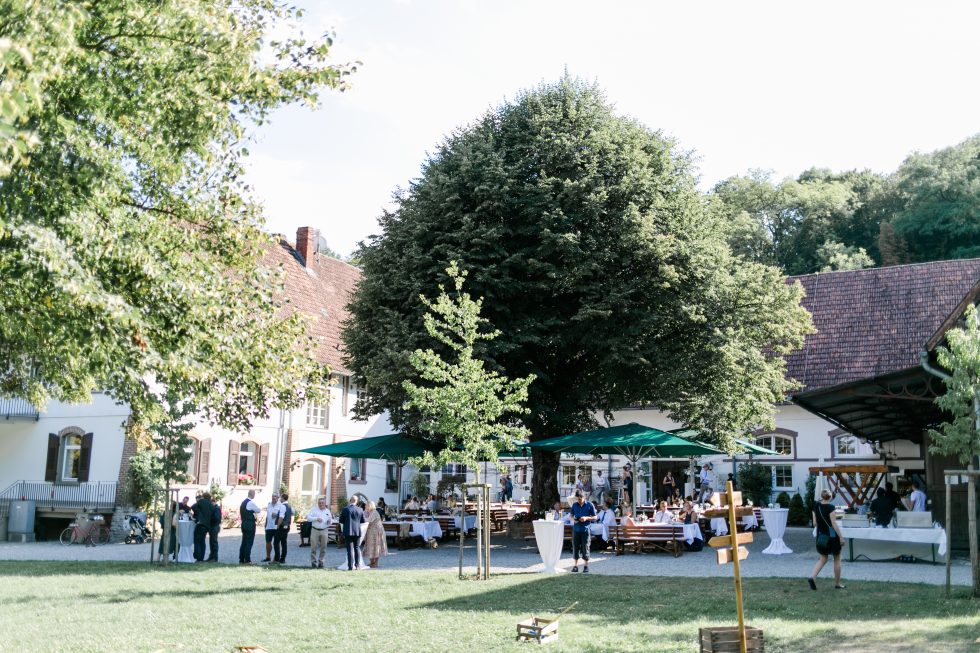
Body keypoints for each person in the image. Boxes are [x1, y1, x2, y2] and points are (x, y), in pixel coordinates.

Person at [809, 489, 846, 590]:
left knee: (822, 559)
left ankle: (813, 577)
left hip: (821, 535)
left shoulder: (816, 505)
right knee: (837, 558)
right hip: (832, 535)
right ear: (831, 497)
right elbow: (834, 524)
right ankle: (837, 583)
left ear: (822, 496)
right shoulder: (831, 507)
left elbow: (815, 523)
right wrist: (841, 537)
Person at [569, 490, 597, 573]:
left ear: (583, 497)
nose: (578, 501)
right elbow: (571, 516)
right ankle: (575, 566)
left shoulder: (590, 505)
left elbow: (595, 517)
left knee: (586, 547)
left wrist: (586, 518)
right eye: (577, 499)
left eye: (580, 499)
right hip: (576, 529)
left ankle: (586, 566)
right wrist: (574, 520)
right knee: (575, 547)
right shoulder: (574, 505)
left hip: (585, 530)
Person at [339, 495, 367, 571]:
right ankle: (357, 566)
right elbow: (363, 521)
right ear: (356, 501)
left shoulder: (345, 509)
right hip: (357, 531)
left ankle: (350, 566)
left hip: (348, 531)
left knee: (349, 550)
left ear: (350, 500)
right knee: (357, 548)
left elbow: (341, 520)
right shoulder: (360, 509)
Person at [307, 496, 333, 569]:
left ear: (325, 504)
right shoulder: (314, 510)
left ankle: (321, 562)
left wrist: (329, 521)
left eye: (322, 503)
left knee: (323, 547)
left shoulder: (327, 511)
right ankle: (313, 562)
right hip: (315, 530)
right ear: (318, 503)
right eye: (320, 503)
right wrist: (316, 518)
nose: (321, 504)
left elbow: (331, 520)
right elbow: (308, 518)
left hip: (324, 530)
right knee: (313, 547)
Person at [362, 500, 389, 568]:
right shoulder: (371, 512)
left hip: (376, 532)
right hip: (372, 532)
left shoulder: (374, 512)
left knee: (376, 547)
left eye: (366, 505)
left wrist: (360, 518)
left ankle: (375, 563)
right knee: (371, 547)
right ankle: (372, 562)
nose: (365, 507)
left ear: (370, 506)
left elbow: (368, 520)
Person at [239, 489, 261, 564]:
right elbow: (258, 510)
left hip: (244, 523)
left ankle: (241, 559)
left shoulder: (243, 502)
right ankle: (247, 560)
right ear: (253, 494)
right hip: (250, 524)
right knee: (249, 542)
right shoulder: (251, 503)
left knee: (244, 542)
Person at [191, 492, 214, 562]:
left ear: (203, 497)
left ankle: (198, 557)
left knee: (197, 541)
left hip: (200, 524)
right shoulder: (211, 505)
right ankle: (201, 557)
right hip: (207, 525)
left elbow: (193, 507)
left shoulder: (202, 501)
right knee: (202, 541)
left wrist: (197, 515)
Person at [262, 492, 282, 563]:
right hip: (268, 527)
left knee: (276, 543)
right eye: (273, 496)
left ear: (278, 498)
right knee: (268, 542)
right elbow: (267, 515)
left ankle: (276, 558)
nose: (274, 497)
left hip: (276, 527)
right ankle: (268, 557)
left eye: (275, 496)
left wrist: (276, 515)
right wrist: (265, 524)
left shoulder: (280, 506)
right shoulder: (269, 504)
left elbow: (283, 516)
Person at [274, 492, 293, 564]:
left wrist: (278, 525)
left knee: (276, 542)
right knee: (284, 543)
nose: (280, 499)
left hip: (281, 527)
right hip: (287, 526)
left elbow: (281, 517)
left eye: (281, 498)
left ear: (283, 498)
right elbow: (292, 513)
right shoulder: (290, 506)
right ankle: (283, 559)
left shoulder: (282, 506)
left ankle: (276, 559)